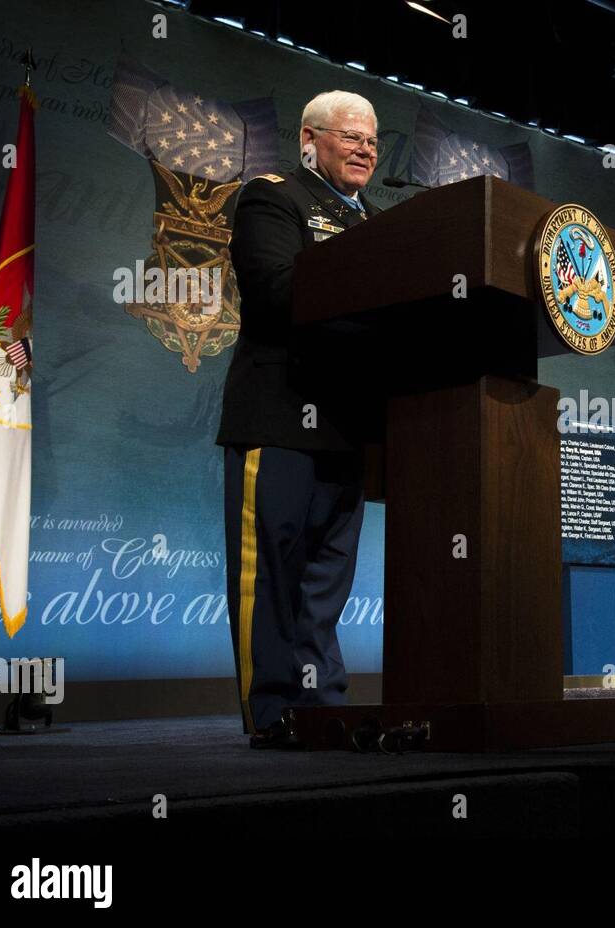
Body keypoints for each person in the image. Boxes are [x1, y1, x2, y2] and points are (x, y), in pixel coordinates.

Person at [216, 90, 382, 748]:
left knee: (324, 584)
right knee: (272, 576)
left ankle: (320, 705)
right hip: (278, 417)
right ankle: (273, 710)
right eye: (350, 137)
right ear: (310, 140)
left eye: (372, 139)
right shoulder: (274, 196)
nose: (366, 148)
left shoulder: (383, 221)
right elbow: (276, 290)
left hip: (348, 426)